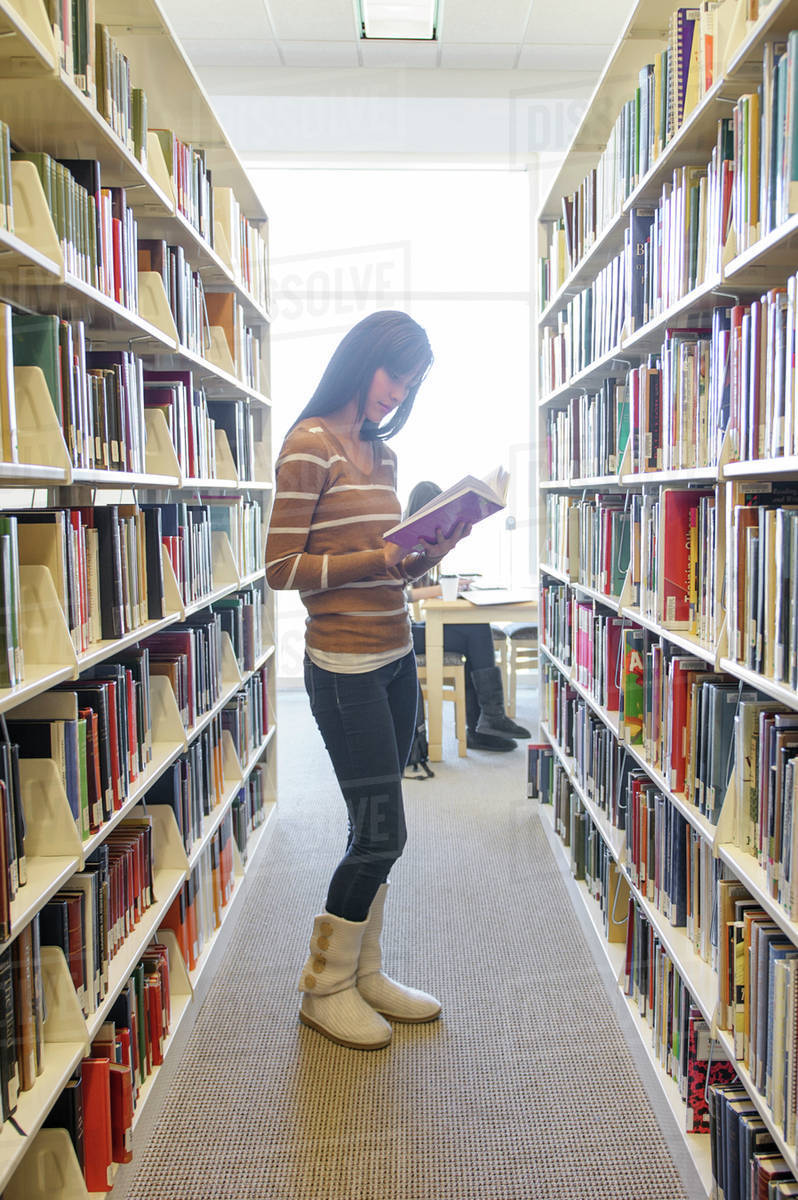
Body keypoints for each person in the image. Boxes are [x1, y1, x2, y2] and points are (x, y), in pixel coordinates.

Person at [265, 311, 470, 1052]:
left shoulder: (381, 456)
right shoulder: (309, 448)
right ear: (364, 360)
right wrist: (374, 563)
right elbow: (282, 568)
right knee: (383, 834)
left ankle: (365, 972)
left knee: (372, 828)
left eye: (411, 384)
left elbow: (395, 568)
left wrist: (429, 549)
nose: (399, 393)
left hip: (392, 657)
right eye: (395, 374)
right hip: (343, 668)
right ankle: (324, 987)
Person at [405, 480, 531, 753]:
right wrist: (442, 588)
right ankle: (487, 721)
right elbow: (405, 595)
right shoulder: (402, 545)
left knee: (474, 631)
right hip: (404, 634)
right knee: (475, 631)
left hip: (412, 628)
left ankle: (484, 724)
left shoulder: (422, 543)